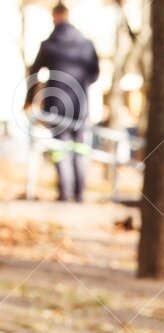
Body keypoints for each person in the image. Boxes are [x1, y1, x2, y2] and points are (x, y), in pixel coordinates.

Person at [26, 4, 100, 203]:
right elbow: (94, 74)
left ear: (54, 17)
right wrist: (81, 84)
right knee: (80, 149)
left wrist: (29, 101)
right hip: (81, 105)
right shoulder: (86, 44)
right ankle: (79, 193)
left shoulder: (48, 45)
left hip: (56, 105)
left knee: (60, 149)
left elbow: (33, 74)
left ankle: (65, 192)